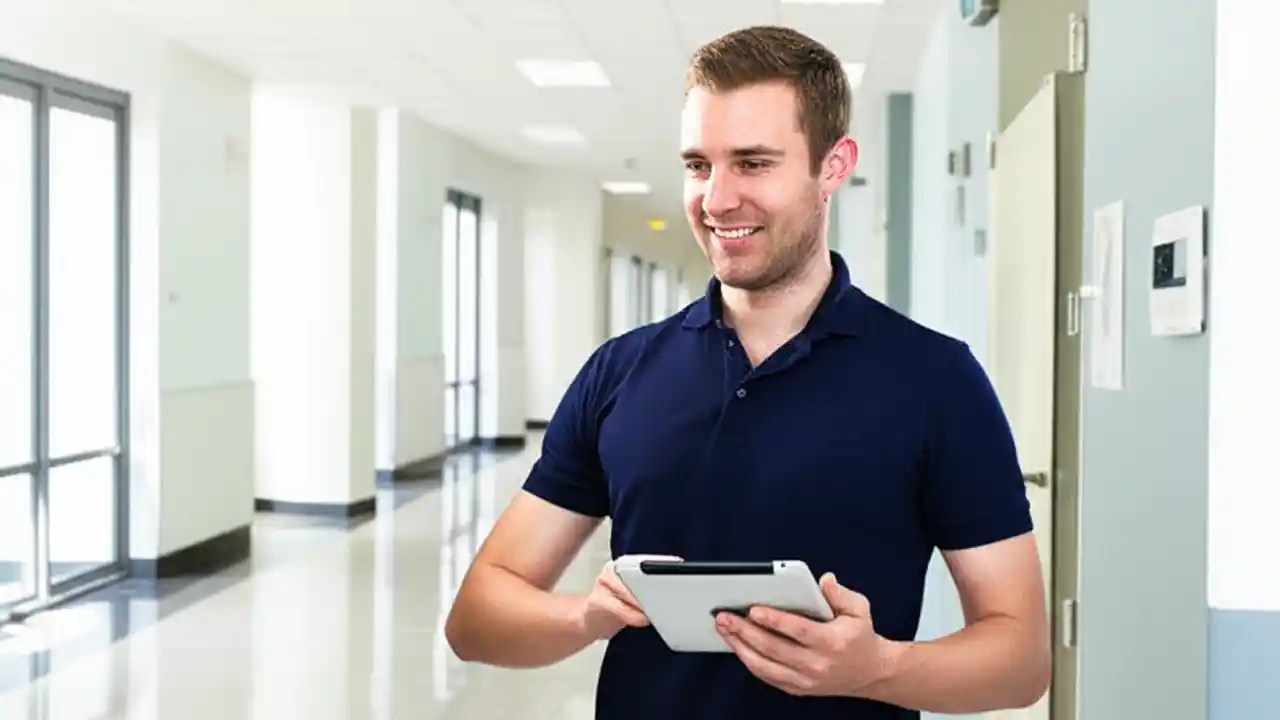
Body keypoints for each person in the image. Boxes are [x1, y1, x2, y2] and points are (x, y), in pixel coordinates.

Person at [445, 25, 1051, 719]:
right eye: (699, 165)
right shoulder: (620, 372)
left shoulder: (935, 380)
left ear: (833, 166)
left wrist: (877, 667)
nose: (717, 199)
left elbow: (1021, 658)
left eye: (753, 163)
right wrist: (590, 614)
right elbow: (475, 620)